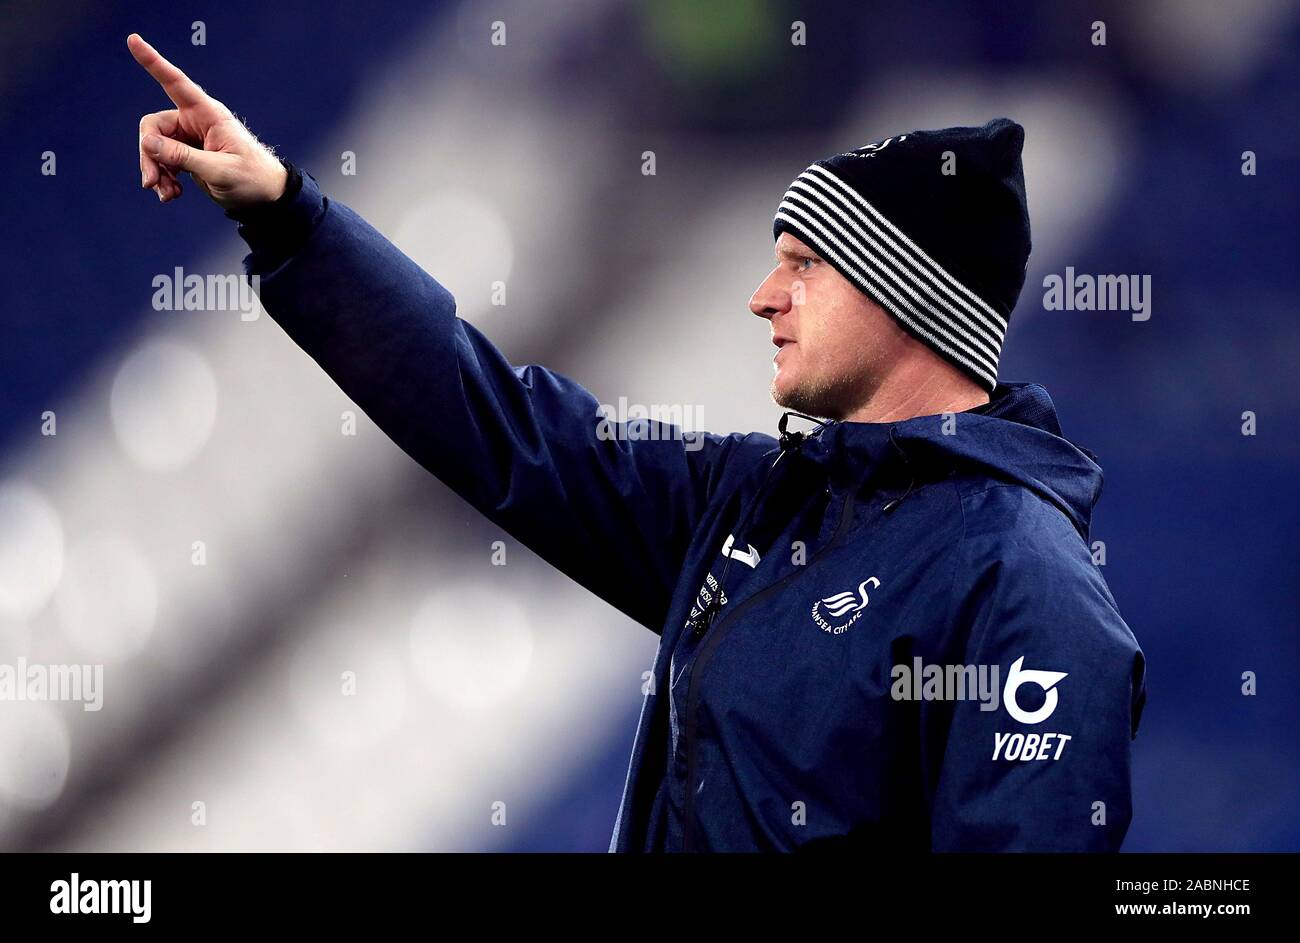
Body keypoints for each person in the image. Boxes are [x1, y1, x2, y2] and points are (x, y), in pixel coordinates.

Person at [129, 33, 1146, 852]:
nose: (762, 297)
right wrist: (292, 219)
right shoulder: (759, 501)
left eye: (804, 266)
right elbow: (498, 420)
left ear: (902, 298)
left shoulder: (1024, 587)